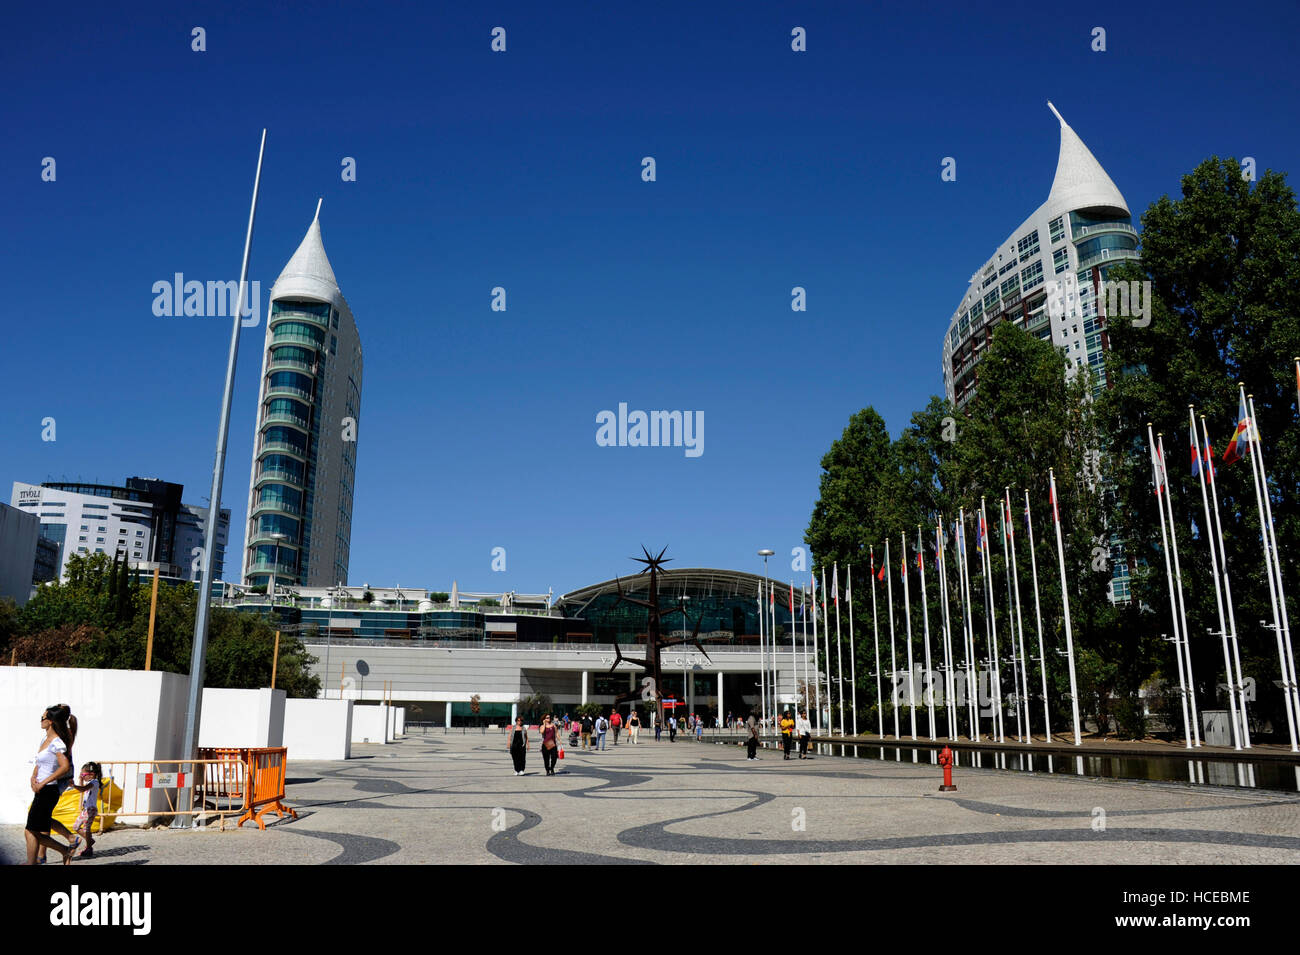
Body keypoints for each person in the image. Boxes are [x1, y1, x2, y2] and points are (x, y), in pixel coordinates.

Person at [26, 704, 77, 865]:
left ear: (51, 721)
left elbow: (64, 767)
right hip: (41, 789)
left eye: (43, 718)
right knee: (33, 830)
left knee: (31, 831)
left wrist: (44, 782)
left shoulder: (57, 742)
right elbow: (39, 763)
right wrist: (34, 777)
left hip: (48, 790)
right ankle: (63, 851)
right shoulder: (45, 739)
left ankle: (62, 851)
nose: (40, 720)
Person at [67, 762, 102, 857]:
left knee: (84, 829)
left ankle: (89, 845)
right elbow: (82, 789)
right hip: (86, 809)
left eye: (83, 774)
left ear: (91, 774)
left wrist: (74, 785)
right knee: (78, 827)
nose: (82, 776)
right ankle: (89, 842)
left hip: (90, 809)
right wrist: (80, 779)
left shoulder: (94, 782)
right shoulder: (90, 782)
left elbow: (82, 789)